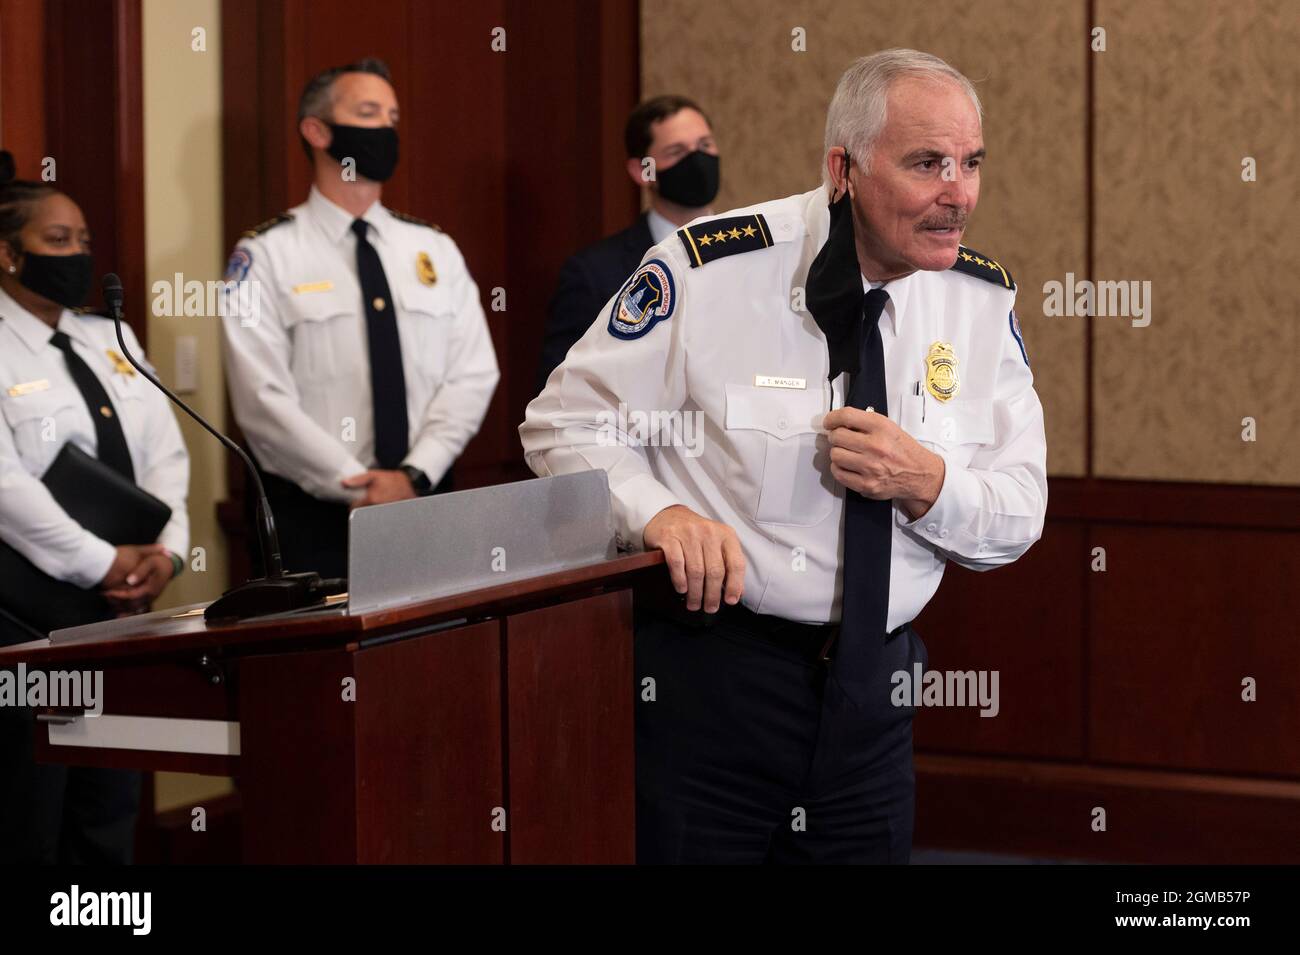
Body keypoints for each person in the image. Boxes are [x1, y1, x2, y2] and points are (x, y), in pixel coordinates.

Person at [520, 50, 1047, 864]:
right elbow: (562, 425)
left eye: (970, 162)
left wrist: (927, 482)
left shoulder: (977, 300)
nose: (959, 193)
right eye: (926, 164)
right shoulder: (711, 268)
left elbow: (1020, 509)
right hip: (714, 686)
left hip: (876, 697)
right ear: (843, 169)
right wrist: (658, 514)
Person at [221, 57, 499, 580]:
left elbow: (473, 373)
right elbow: (261, 399)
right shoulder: (266, 254)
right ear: (317, 131)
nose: (386, 130)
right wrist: (358, 484)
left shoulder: (433, 249)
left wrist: (414, 474)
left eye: (393, 118)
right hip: (314, 519)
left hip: (426, 504)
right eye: (368, 114)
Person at [0, 150, 191, 863]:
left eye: (83, 240)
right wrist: (103, 562)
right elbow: (6, 487)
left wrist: (166, 551)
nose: (77, 254)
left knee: (109, 812)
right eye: (57, 240)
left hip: (121, 619)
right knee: (31, 815)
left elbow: (168, 454)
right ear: (8, 254)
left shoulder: (111, 336)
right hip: (30, 617)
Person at [534, 95, 719, 393]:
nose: (697, 160)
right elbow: (560, 388)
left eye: (705, 145)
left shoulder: (755, 250)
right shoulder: (593, 274)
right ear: (641, 171)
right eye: (676, 151)